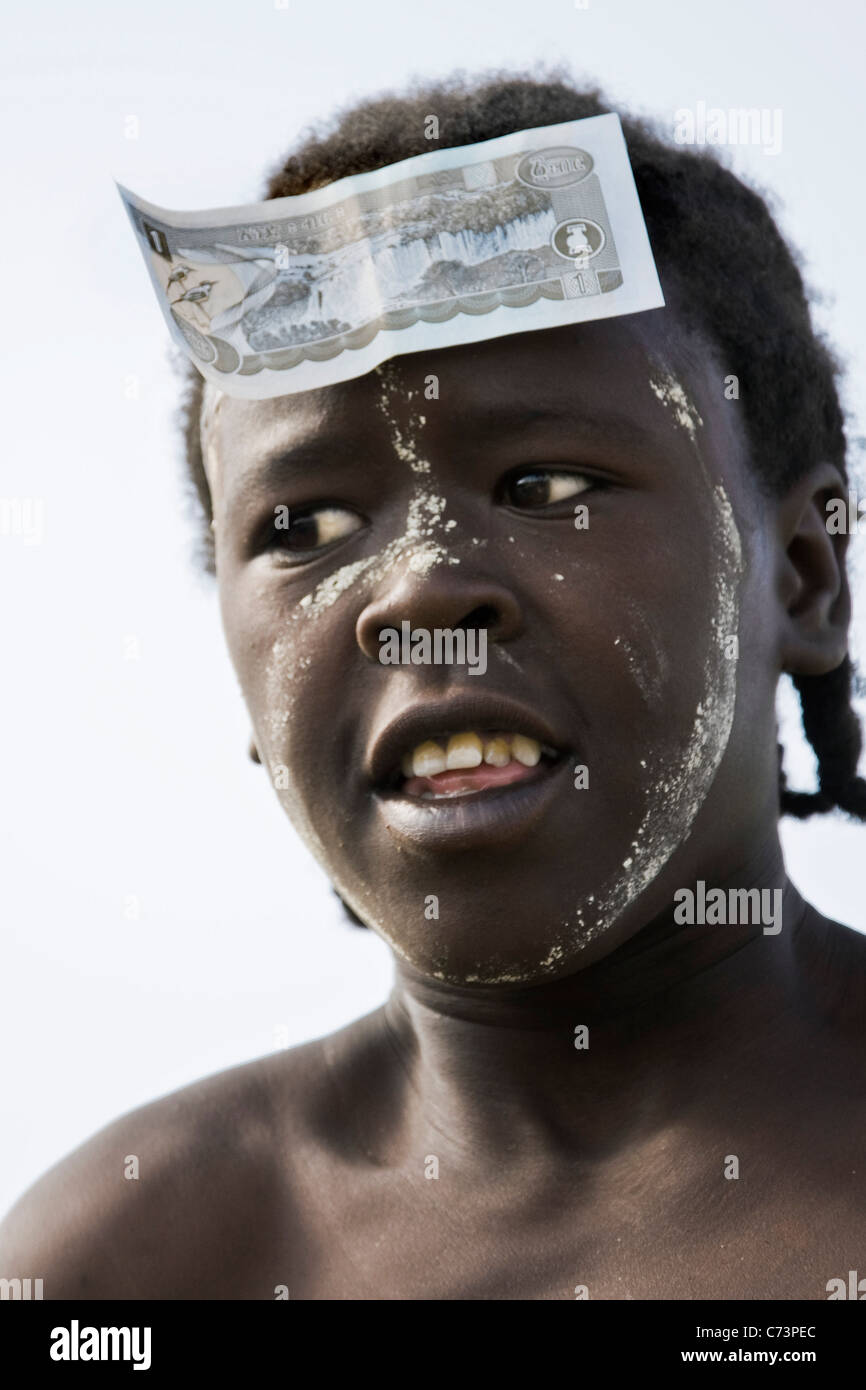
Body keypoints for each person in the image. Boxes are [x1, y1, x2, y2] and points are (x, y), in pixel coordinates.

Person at [2, 67, 865, 1301]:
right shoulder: (131, 1262)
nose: (413, 598)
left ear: (800, 579)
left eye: (544, 489)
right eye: (304, 523)